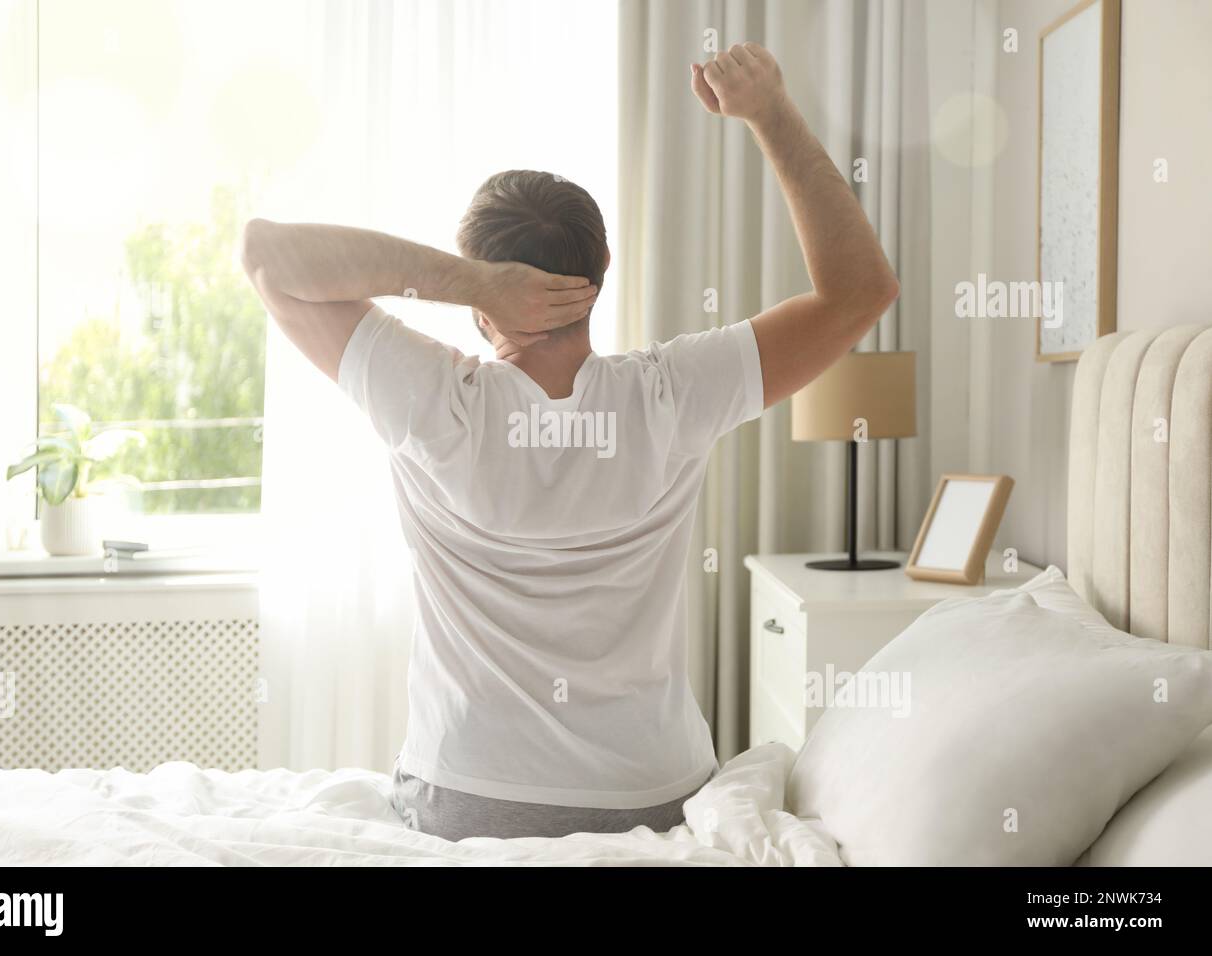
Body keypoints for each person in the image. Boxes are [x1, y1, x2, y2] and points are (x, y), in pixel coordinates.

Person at [240, 42, 898, 840]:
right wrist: (770, 113)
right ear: (605, 268)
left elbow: (264, 254)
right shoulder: (671, 395)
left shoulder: (430, 398)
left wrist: (468, 282)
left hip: (467, 795)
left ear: (483, 302)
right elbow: (862, 291)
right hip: (650, 798)